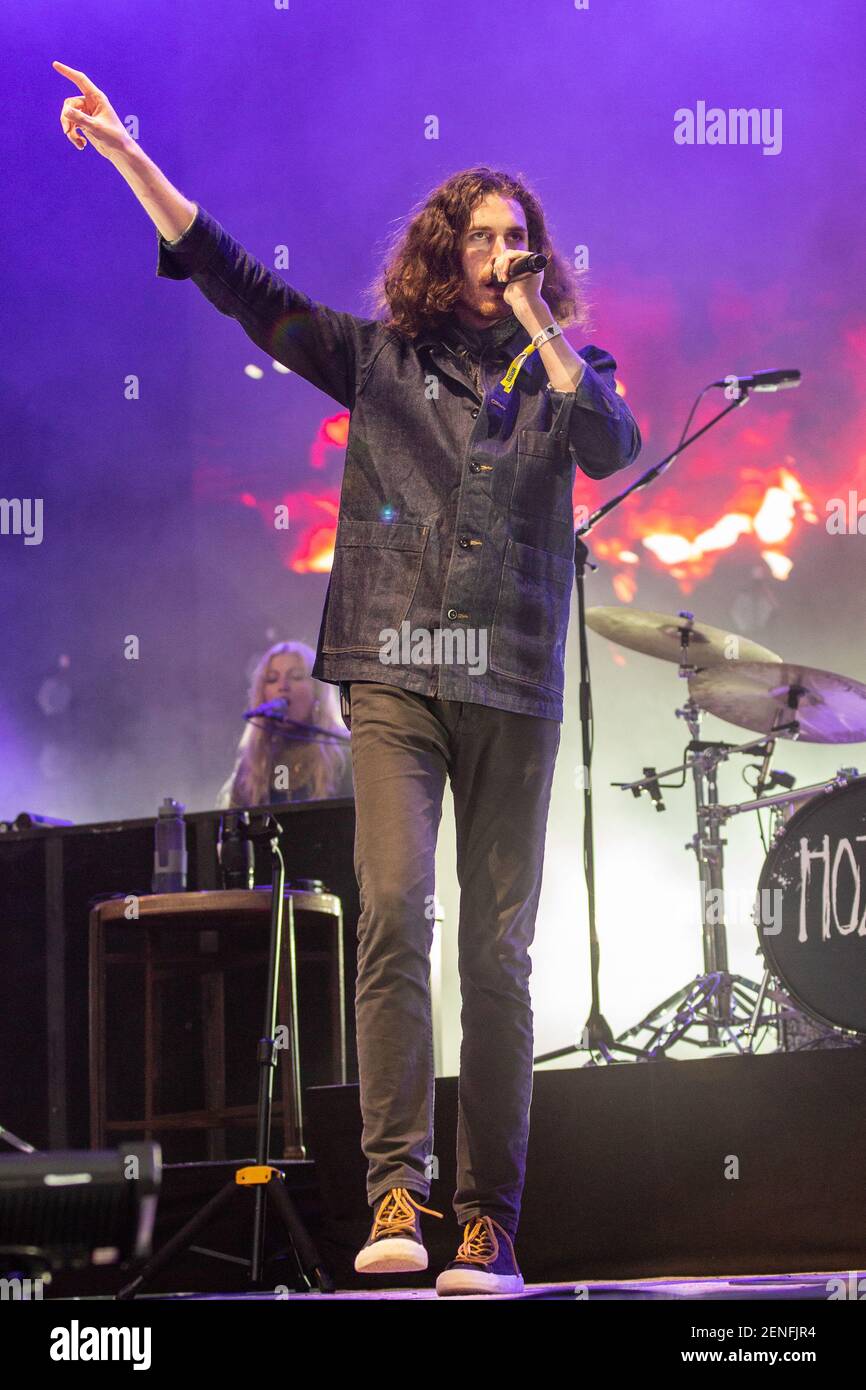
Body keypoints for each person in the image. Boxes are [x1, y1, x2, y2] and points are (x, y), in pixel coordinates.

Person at [55, 62, 641, 1296]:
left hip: (516, 682)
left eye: (517, 239)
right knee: (391, 911)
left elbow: (611, 447)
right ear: (443, 250)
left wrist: (545, 333)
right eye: (479, 237)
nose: (499, 255)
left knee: (498, 955)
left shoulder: (566, 375)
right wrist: (129, 158)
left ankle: (489, 1222)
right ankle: (394, 1187)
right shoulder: (378, 362)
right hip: (394, 673)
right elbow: (240, 286)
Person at [217, 641, 353, 808]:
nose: (283, 686)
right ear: (262, 694)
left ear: (317, 691)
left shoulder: (345, 755)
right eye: (272, 679)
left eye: (296, 676)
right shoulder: (251, 765)